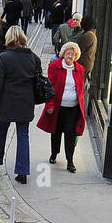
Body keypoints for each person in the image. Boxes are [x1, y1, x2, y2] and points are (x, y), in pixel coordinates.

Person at [0, 25, 41, 183]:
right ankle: (22, 172)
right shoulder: (33, 58)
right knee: (23, 135)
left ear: (8, 39)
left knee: (1, 131)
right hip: (26, 103)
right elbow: (38, 81)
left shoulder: (5, 57)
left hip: (6, 103)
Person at [37, 41, 86, 173]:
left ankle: (70, 161)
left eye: (73, 54)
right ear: (63, 54)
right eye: (68, 53)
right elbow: (50, 88)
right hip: (58, 107)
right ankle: (54, 153)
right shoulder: (54, 67)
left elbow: (81, 90)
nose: (70, 56)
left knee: (70, 133)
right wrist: (50, 105)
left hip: (73, 108)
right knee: (56, 131)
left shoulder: (80, 69)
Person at [74, 17, 98, 88]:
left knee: (78, 85)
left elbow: (78, 50)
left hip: (82, 64)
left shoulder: (87, 36)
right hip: (87, 64)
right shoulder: (91, 34)